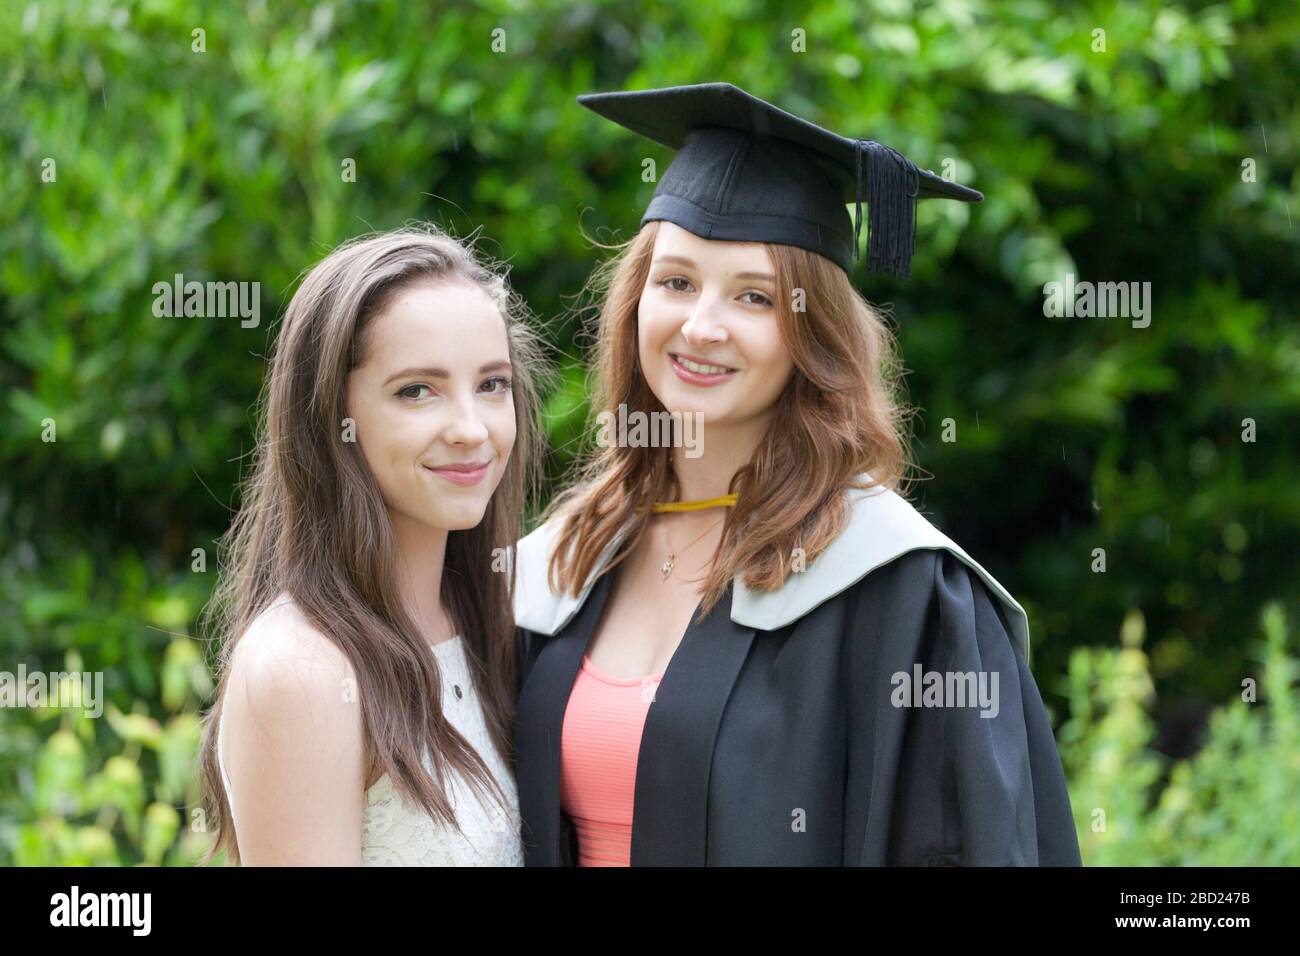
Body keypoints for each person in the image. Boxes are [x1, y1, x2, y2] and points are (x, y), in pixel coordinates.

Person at [511, 83, 1082, 866]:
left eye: (755, 296)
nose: (701, 326)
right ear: (634, 302)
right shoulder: (566, 559)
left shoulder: (897, 588)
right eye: (676, 282)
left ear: (811, 335)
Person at [198, 225, 548, 865]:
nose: (472, 429)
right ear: (334, 419)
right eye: (417, 390)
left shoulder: (492, 619)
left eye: (492, 384)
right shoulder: (301, 671)